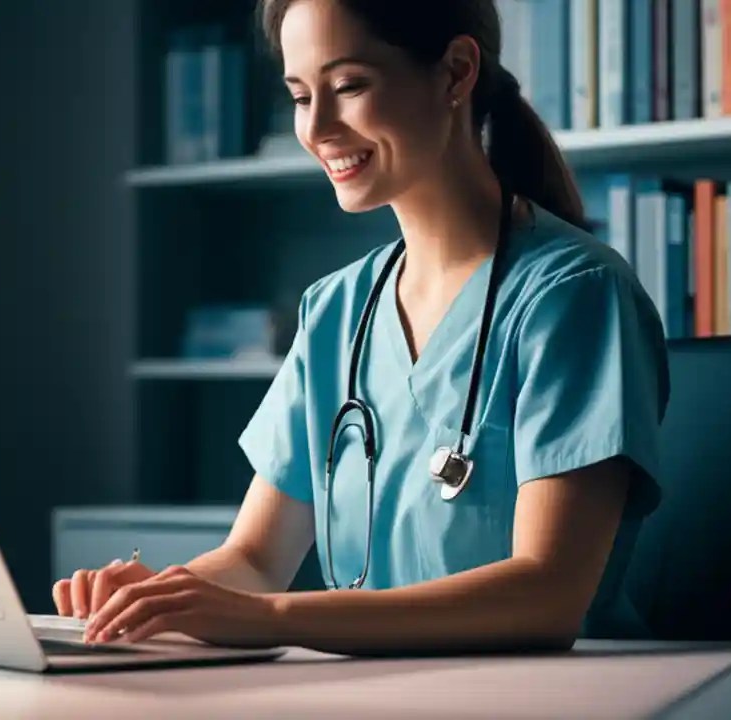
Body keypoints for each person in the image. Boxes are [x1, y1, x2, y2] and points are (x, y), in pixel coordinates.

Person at [54, 0, 669, 655]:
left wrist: (272, 619)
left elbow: (547, 596)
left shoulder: (572, 294)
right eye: (298, 96)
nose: (316, 127)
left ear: (457, 72)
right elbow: (256, 560)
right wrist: (156, 602)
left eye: (348, 86)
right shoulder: (335, 312)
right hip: (373, 688)